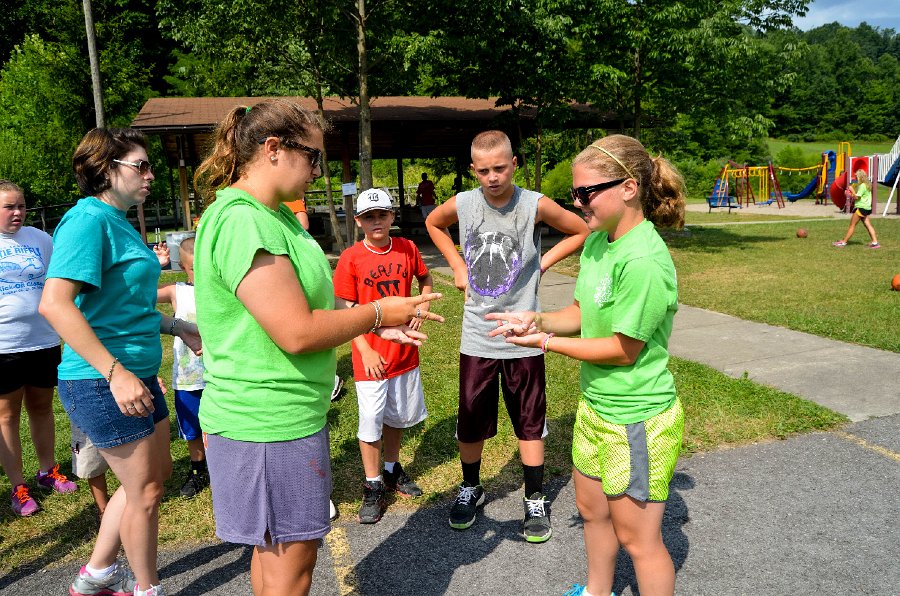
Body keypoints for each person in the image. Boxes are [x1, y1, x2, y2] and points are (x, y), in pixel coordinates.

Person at [191, 98, 442, 596]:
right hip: (268, 422)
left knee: (275, 558)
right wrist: (377, 313)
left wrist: (373, 328)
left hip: (280, 418)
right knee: (292, 568)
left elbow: (298, 314)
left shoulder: (273, 216)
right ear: (273, 149)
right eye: (314, 157)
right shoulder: (245, 221)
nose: (317, 171)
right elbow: (296, 331)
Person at [487, 134, 686, 596]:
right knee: (592, 512)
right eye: (574, 194)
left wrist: (545, 342)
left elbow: (622, 348)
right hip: (596, 408)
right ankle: (597, 591)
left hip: (637, 418)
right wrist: (535, 318)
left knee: (639, 540)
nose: (577, 204)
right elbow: (582, 314)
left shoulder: (644, 260)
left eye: (586, 193)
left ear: (630, 188)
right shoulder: (599, 242)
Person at [39, 127, 202, 596]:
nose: (151, 174)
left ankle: (97, 573)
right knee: (146, 491)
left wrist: (174, 326)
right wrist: (116, 373)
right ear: (107, 170)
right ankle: (146, 588)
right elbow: (55, 304)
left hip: (133, 373)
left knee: (149, 482)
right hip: (101, 379)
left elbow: (119, 305)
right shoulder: (87, 220)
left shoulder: (116, 220)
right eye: (141, 165)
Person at [425, 130, 589, 543]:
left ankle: (534, 497)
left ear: (514, 164)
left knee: (529, 420)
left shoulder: (533, 204)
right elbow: (433, 222)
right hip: (477, 336)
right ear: (473, 170)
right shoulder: (465, 203)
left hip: (524, 336)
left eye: (500, 168)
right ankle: (471, 486)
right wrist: (457, 267)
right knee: (471, 420)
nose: (493, 177)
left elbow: (581, 230)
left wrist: (542, 263)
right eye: (484, 171)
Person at [333, 188, 433, 524]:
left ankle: (391, 469)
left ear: (392, 216)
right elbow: (345, 310)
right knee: (371, 421)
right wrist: (363, 349)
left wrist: (423, 303)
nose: (377, 221)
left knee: (397, 416)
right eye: (369, 216)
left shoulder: (406, 248)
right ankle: (372, 483)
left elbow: (426, 279)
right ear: (359, 221)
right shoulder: (351, 258)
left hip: (404, 350)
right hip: (371, 357)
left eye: (382, 214)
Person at [0, 180, 77, 517]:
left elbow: (57, 281)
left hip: (44, 340)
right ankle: (18, 487)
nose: (17, 212)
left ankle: (48, 471)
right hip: (5, 346)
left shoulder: (40, 239)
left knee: (43, 407)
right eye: (9, 207)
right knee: (6, 416)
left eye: (21, 205)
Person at [157, 236, 209, 498]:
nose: (199, 272)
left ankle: (222, 465)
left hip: (219, 376)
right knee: (191, 428)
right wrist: (158, 267)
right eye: (192, 267)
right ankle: (199, 469)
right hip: (188, 378)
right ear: (181, 265)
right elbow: (141, 295)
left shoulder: (220, 289)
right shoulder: (176, 291)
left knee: (220, 425)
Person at [833, 169, 880, 249]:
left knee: (852, 225)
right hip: (866, 208)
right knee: (868, 225)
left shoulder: (862, 186)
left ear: (860, 176)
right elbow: (860, 196)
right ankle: (875, 242)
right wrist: (851, 194)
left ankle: (843, 242)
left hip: (861, 208)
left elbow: (857, 197)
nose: (855, 178)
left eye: (856, 177)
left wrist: (851, 191)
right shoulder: (867, 185)